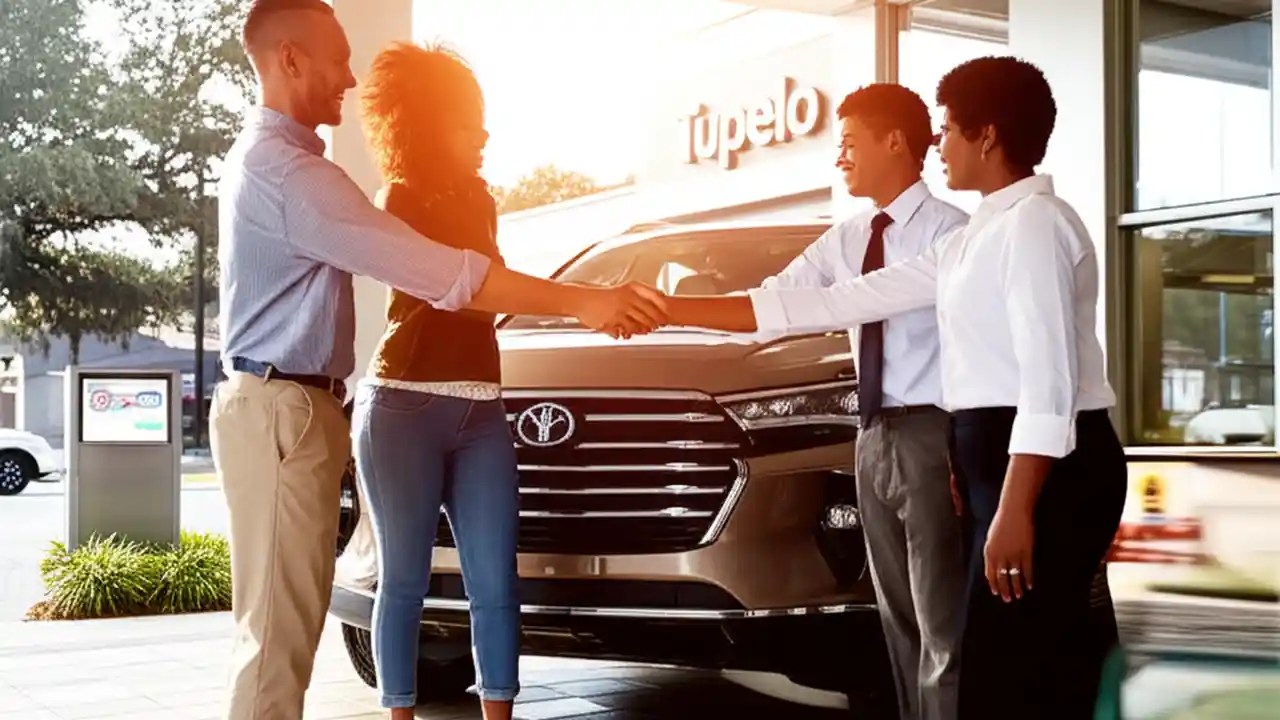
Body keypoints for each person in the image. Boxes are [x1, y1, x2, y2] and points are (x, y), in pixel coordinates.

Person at [210, 2, 665, 719]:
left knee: (280, 636)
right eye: (336, 57)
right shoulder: (288, 175)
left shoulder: (282, 166)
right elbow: (446, 275)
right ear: (289, 59)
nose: (351, 78)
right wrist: (583, 301)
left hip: (292, 407)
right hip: (283, 407)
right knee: (276, 643)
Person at [657, 56, 1126, 719]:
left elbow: (1047, 379)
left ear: (987, 137)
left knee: (1022, 664)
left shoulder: (1033, 225)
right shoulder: (977, 237)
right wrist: (672, 309)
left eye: (948, 131)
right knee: (1009, 662)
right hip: (993, 453)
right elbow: (833, 302)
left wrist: (1014, 507)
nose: (940, 144)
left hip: (1046, 464)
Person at [757, 84, 969, 720]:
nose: (839, 157)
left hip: (937, 436)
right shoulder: (845, 238)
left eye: (848, 142)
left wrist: (966, 449)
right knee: (897, 617)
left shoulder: (954, 233)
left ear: (895, 141)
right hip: (870, 435)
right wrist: (669, 316)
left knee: (942, 620)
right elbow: (775, 302)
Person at [352, 42, 518, 720]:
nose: (482, 135)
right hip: (403, 406)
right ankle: (398, 714)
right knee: (405, 583)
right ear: (424, 120)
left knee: (495, 583)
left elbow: (494, 287)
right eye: (466, 121)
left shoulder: (483, 199)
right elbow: (455, 287)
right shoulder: (399, 198)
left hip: (482, 410)